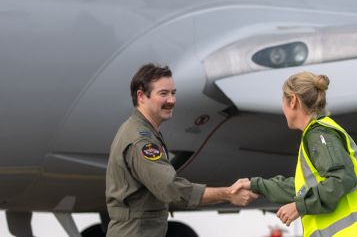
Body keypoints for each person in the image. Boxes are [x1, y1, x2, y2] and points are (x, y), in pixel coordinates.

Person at [106, 63, 258, 237]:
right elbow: (171, 189)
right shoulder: (141, 140)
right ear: (141, 96)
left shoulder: (143, 131)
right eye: (163, 93)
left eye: (173, 93)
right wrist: (228, 194)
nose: (171, 100)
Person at [232, 71, 357, 236]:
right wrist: (256, 185)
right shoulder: (315, 135)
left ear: (293, 101)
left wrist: (299, 207)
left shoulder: (319, 135)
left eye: (283, 101)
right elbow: (301, 189)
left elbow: (341, 178)